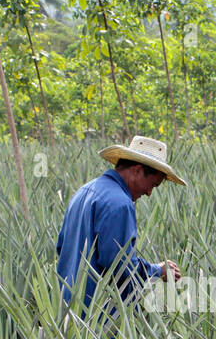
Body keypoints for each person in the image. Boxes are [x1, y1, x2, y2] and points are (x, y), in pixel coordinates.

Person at [56, 135, 187, 316]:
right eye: (152, 185)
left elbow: (62, 247)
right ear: (137, 170)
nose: (149, 193)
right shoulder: (119, 203)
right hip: (97, 315)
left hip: (65, 306)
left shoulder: (84, 191)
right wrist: (157, 271)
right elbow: (118, 264)